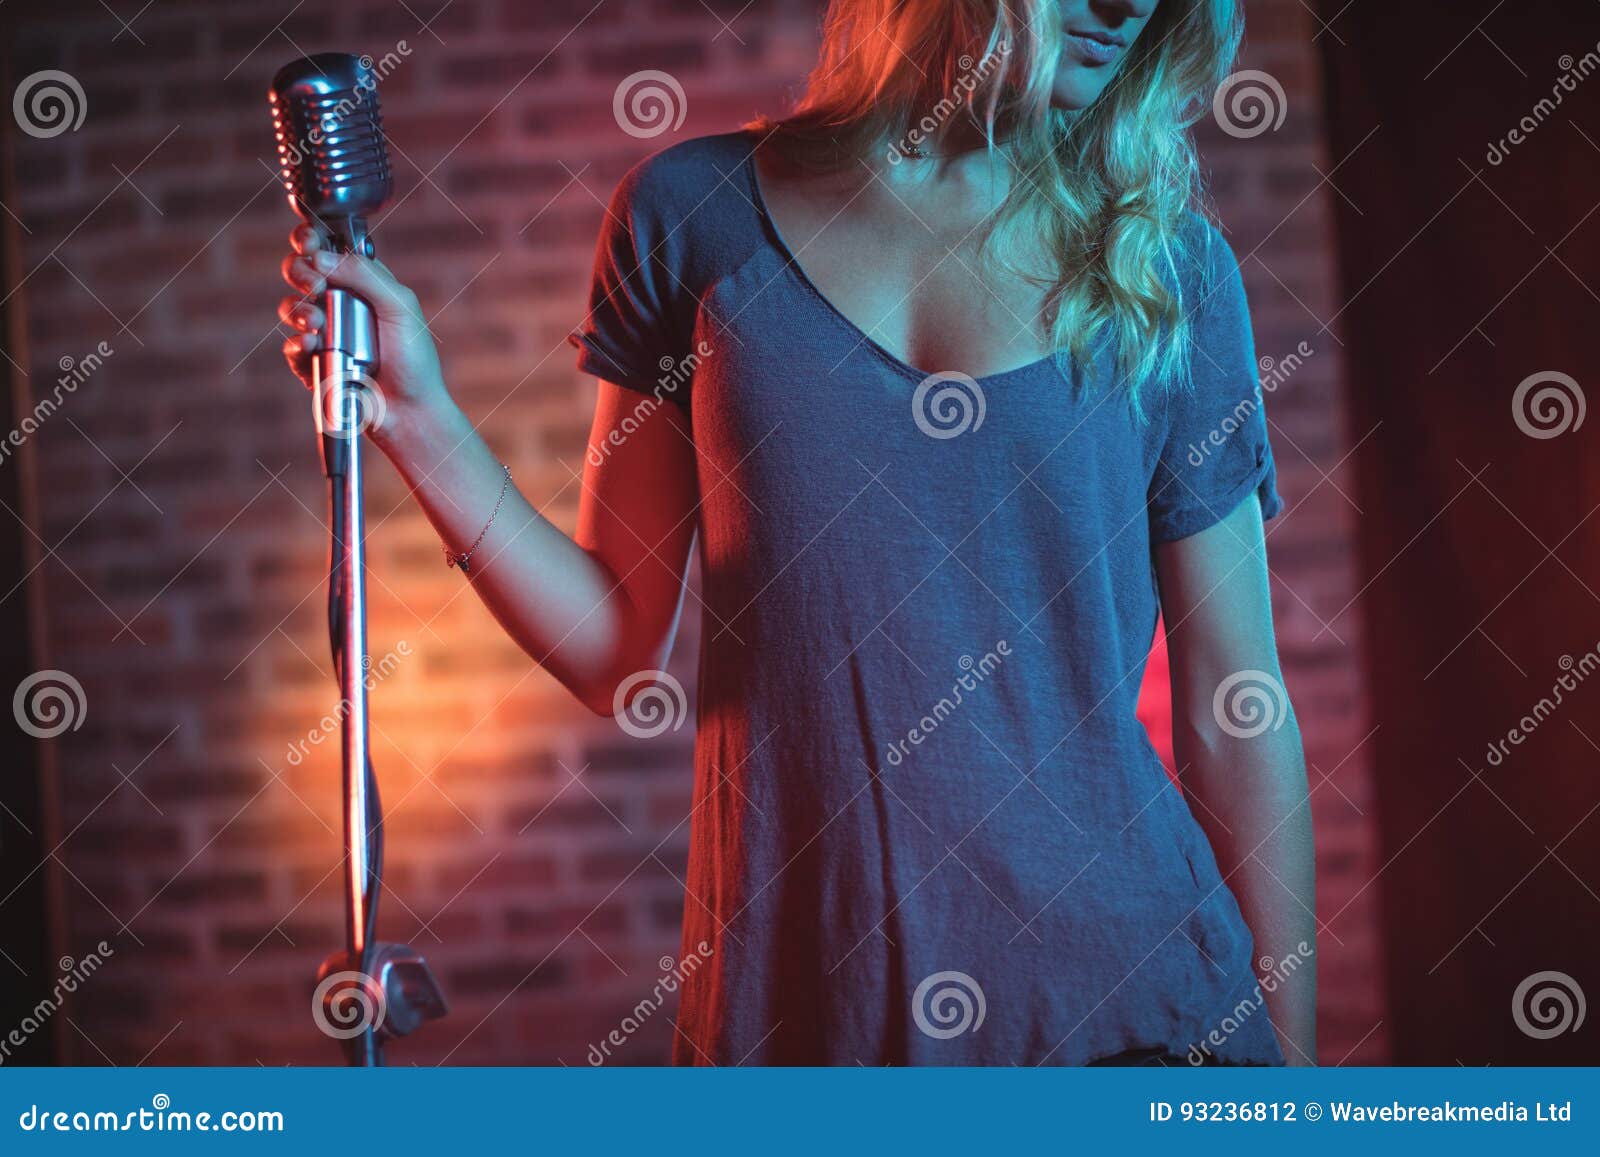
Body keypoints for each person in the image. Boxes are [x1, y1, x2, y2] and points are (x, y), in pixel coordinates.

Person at [276, 0, 1316, 1065]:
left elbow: (1236, 704)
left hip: (1133, 1020)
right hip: (805, 1011)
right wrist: (417, 419)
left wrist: (1292, 1081)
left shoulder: (1163, 268)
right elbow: (610, 644)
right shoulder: (691, 216)